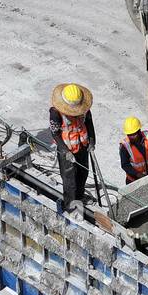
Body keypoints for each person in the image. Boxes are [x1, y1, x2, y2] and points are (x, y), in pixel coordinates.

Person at [49, 82, 96, 210]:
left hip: (82, 147)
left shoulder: (84, 109)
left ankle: (80, 197)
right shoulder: (56, 113)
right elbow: (55, 134)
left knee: (83, 173)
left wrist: (92, 141)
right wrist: (65, 151)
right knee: (70, 180)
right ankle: (70, 206)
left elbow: (89, 124)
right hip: (67, 150)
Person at [119, 116, 148, 183]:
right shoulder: (125, 146)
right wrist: (138, 174)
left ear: (139, 131)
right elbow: (125, 165)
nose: (132, 137)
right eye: (129, 135)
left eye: (134, 134)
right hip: (134, 181)